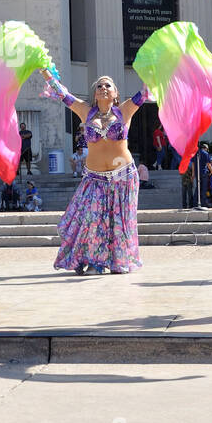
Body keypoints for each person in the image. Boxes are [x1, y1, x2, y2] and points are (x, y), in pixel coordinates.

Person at [41, 72, 150, 274]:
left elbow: (145, 92)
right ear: (95, 94)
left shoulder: (124, 110)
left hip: (123, 177)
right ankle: (95, 262)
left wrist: (155, 68)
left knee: (120, 222)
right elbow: (63, 94)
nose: (103, 88)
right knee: (93, 220)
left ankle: (119, 261)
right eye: (99, 86)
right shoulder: (86, 112)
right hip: (95, 179)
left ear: (115, 93)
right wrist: (45, 72)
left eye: (108, 85)